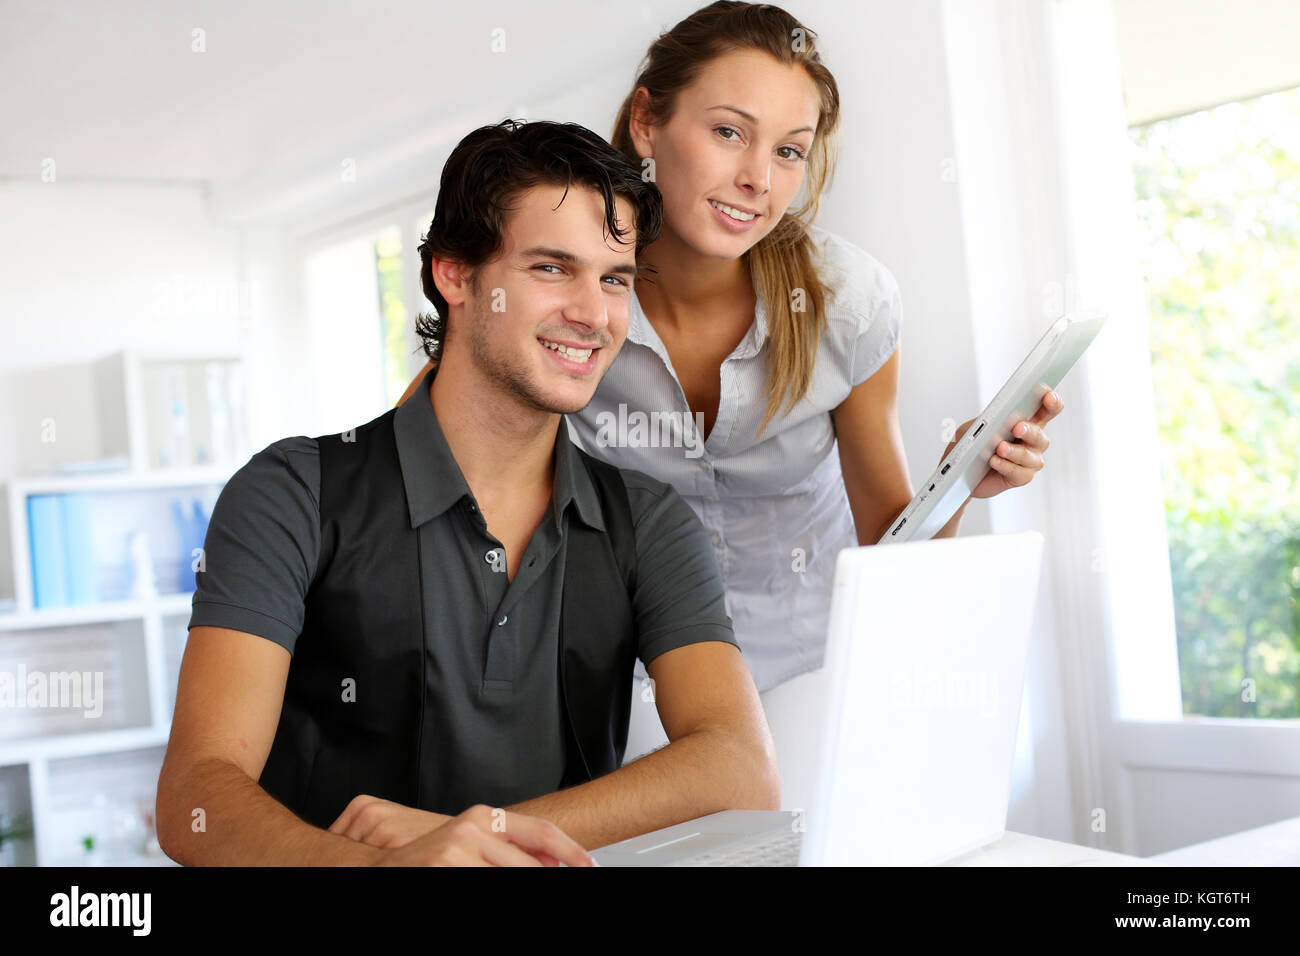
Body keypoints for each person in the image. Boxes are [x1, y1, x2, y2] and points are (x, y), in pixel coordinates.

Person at [398, 2, 1065, 782]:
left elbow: (892, 549)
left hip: (817, 670)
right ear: (648, 123)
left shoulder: (847, 302)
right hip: (632, 681)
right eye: (728, 132)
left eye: (789, 151)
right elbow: (422, 460)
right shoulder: (572, 301)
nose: (758, 179)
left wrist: (957, 487)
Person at [155, 119, 780, 866]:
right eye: (552, 268)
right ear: (454, 275)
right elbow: (195, 796)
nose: (594, 313)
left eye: (614, 278)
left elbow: (741, 767)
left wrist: (480, 834)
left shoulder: (647, 522)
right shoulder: (290, 494)